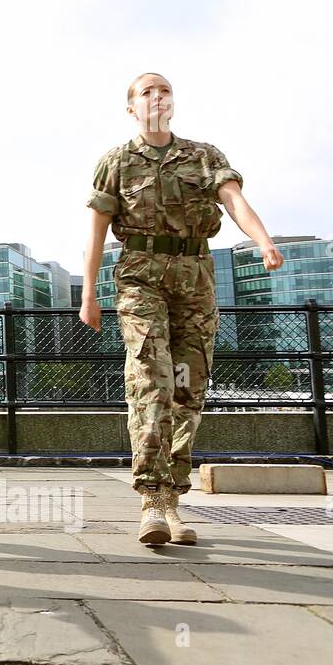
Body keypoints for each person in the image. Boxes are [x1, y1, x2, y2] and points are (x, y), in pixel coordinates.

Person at [80, 72, 283, 545]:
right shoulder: (116, 161)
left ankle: (174, 500)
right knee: (150, 379)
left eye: (164, 90)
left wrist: (264, 240)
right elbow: (95, 229)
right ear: (131, 107)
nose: (156, 97)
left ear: (173, 103)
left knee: (188, 387)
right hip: (138, 275)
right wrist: (89, 293)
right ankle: (150, 499)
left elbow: (234, 200)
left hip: (195, 276)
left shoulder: (204, 155)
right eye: (146, 92)